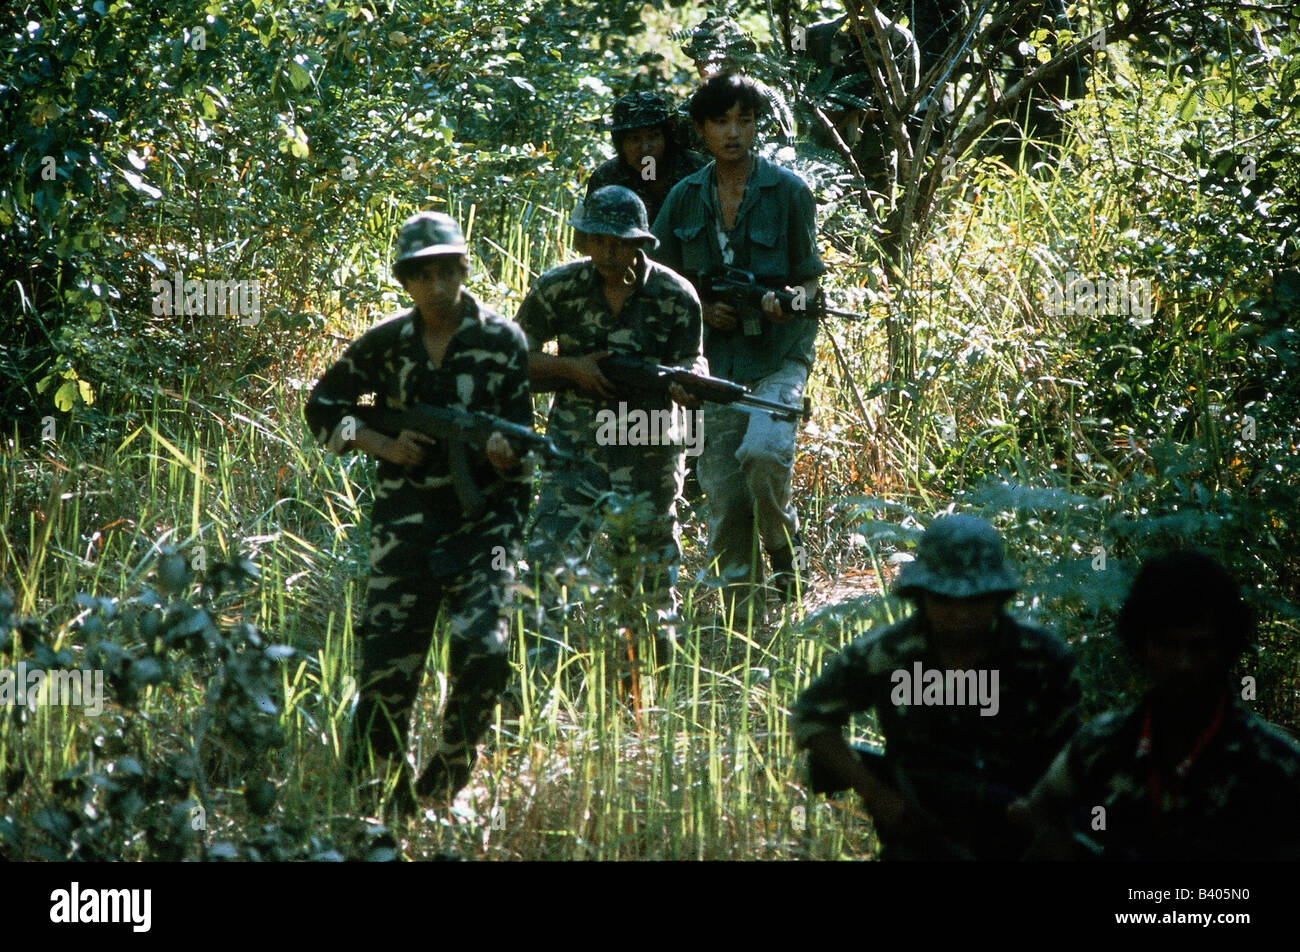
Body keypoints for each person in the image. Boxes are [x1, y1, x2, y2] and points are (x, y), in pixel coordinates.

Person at [304, 211, 532, 813]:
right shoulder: (386, 343)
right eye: (423, 274)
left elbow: (523, 439)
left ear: (463, 269)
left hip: (486, 526)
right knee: (386, 671)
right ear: (406, 279)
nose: (436, 287)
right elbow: (322, 406)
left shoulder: (502, 341)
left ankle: (448, 775)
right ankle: (378, 800)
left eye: (447, 271)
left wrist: (505, 457)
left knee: (484, 650)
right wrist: (379, 443)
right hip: (405, 521)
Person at [791, 515, 1080, 859]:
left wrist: (1045, 819)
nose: (960, 614)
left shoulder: (1041, 657)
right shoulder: (888, 654)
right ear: (921, 595)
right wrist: (877, 794)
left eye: (974, 600)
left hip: (1019, 831)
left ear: (998, 595)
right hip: (921, 834)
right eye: (944, 599)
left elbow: (1074, 758)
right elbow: (811, 717)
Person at [651, 72, 823, 618]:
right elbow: (659, 281)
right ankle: (746, 626)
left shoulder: (789, 192)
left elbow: (812, 282)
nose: (734, 132)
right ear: (701, 130)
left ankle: (783, 548)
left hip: (778, 356)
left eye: (744, 120)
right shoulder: (683, 197)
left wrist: (784, 301)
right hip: (712, 363)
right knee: (724, 499)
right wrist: (702, 308)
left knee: (764, 452)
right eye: (721, 121)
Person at [517, 185, 703, 678]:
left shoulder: (675, 294)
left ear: (640, 242)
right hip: (574, 450)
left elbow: (692, 359)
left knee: (645, 576)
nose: (608, 251)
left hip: (648, 446)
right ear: (583, 240)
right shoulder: (557, 288)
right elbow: (514, 360)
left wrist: (691, 383)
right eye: (597, 240)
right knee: (546, 563)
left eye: (619, 242)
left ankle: (647, 690)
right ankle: (536, 686)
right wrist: (571, 369)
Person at [1012, 550, 1300, 860]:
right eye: (1167, 644)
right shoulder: (1101, 745)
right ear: (1142, 646)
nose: (1183, 664)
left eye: (1200, 646)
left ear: (1225, 650)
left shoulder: (1273, 765)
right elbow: (1040, 809)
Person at [585, 91, 708, 229]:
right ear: (620, 143)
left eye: (653, 136)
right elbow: (588, 239)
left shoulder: (699, 171)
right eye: (634, 138)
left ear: (666, 137)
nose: (645, 148)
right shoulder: (606, 178)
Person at [678, 14, 796, 147]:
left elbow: (784, 153)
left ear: (737, 61)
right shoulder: (690, 108)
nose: (710, 69)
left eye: (720, 61)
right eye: (703, 61)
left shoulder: (764, 100)